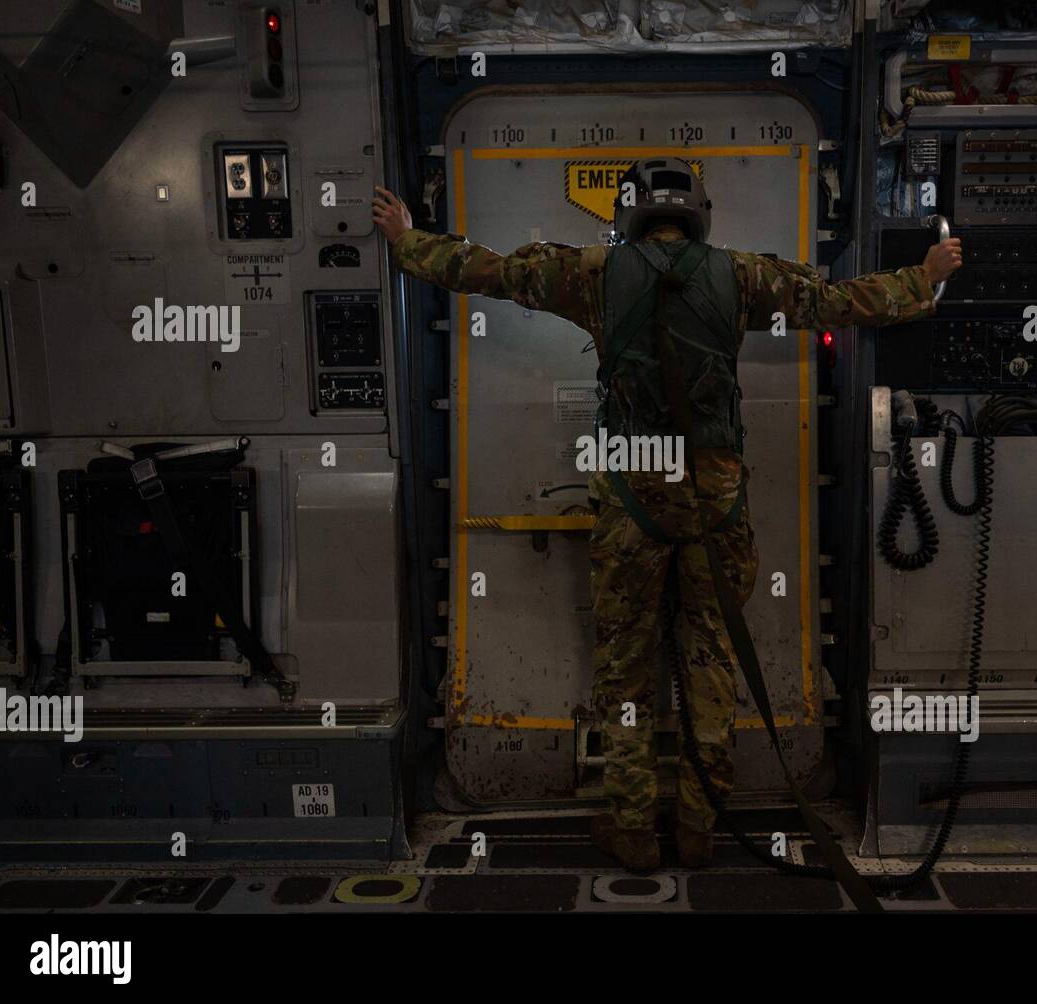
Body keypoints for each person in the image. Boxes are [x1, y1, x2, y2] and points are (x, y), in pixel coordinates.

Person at [373, 159, 962, 873]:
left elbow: (489, 271)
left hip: (631, 500)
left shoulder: (591, 272)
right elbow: (833, 301)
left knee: (625, 667)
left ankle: (632, 828)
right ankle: (697, 825)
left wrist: (406, 239)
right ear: (697, 214)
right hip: (716, 501)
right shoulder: (740, 274)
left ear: (631, 213)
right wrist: (923, 277)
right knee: (711, 658)